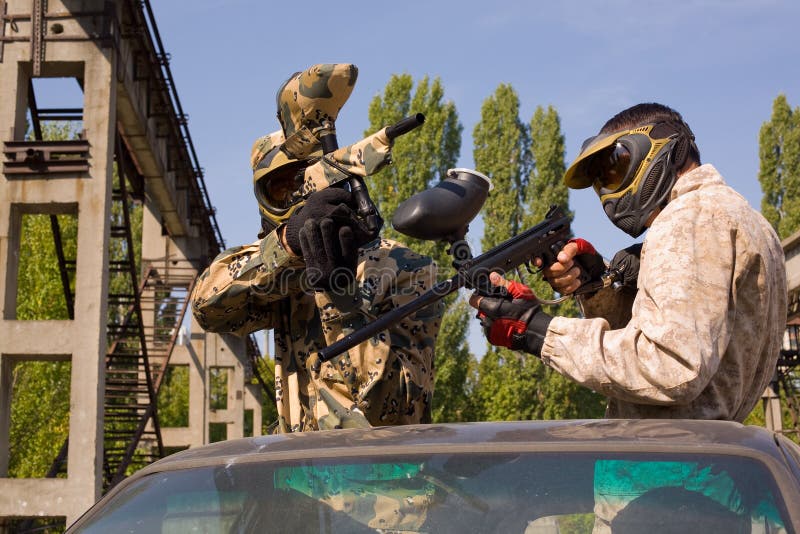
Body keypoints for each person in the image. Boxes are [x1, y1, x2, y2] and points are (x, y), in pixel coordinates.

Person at [470, 102, 787, 421]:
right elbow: (696, 357)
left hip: (663, 464)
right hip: (706, 455)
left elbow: (671, 367)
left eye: (614, 166)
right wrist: (600, 287)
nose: (607, 192)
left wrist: (535, 330)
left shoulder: (686, 219)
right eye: (599, 181)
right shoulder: (750, 221)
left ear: (670, 147)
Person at [191, 64, 442, 433]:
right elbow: (207, 306)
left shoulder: (405, 269)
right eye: (281, 188)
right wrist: (288, 245)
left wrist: (341, 299)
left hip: (378, 484)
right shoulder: (284, 275)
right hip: (296, 481)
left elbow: (395, 410)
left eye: (304, 180)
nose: (297, 197)